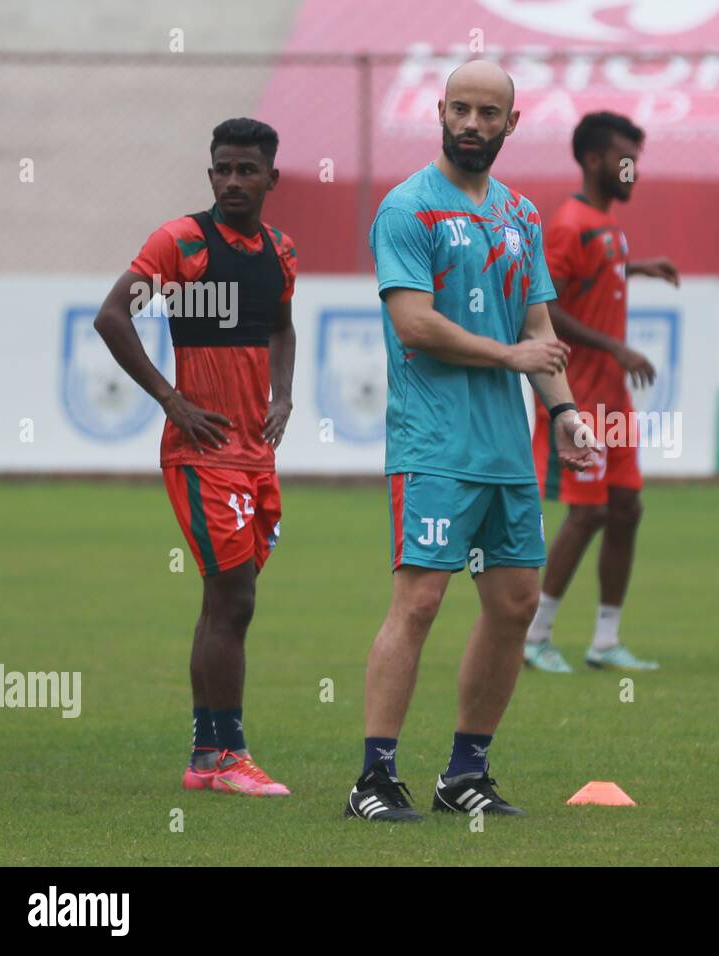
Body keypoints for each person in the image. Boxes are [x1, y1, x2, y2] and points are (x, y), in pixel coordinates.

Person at [346, 61, 596, 823]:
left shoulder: (520, 215)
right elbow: (414, 323)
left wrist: (564, 412)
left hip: (506, 453)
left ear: (511, 124)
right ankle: (374, 781)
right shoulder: (408, 209)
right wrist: (511, 359)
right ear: (441, 112)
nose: (472, 124)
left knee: (516, 602)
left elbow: (536, 328)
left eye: (489, 113)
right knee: (419, 602)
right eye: (461, 108)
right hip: (433, 446)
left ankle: (465, 775)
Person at [92, 117, 297, 795]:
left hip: (254, 456)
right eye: (221, 169)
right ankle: (226, 756)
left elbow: (281, 326)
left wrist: (285, 395)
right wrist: (170, 400)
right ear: (210, 174)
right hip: (200, 451)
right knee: (233, 596)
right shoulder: (182, 242)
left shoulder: (280, 251)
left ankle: (207, 758)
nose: (231, 182)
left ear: (273, 177)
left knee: (229, 603)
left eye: (245, 170)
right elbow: (113, 316)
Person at [525, 111, 679, 674]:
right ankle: (534, 636)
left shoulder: (605, 225)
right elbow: (546, 308)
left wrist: (636, 267)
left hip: (612, 402)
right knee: (585, 516)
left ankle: (605, 641)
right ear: (593, 160)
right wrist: (615, 348)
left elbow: (594, 275)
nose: (633, 170)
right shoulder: (569, 224)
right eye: (625, 159)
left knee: (625, 508)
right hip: (578, 398)